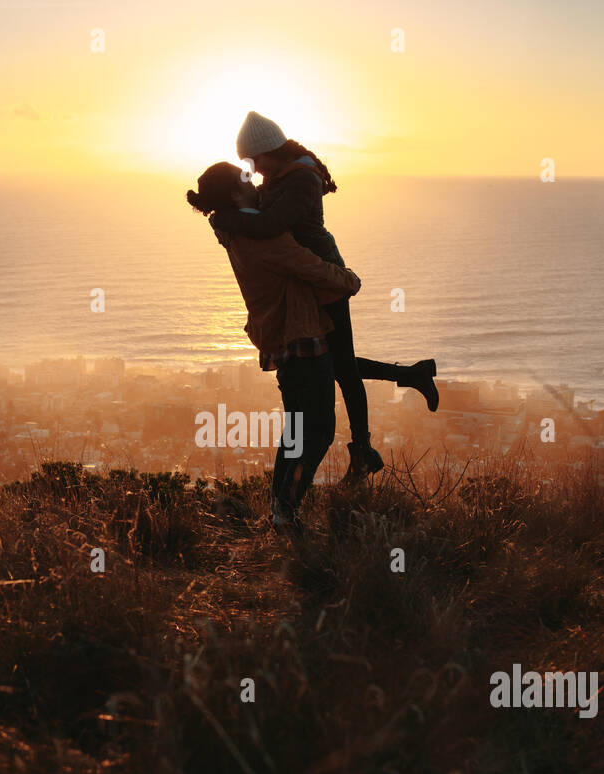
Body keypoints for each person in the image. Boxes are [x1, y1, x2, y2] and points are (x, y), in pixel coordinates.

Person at [211, 111, 439, 483]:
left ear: (268, 151)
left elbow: (270, 225)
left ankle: (363, 451)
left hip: (325, 274)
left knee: (342, 367)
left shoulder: (300, 179)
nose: (252, 171)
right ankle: (408, 377)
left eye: (252, 161)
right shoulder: (282, 175)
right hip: (308, 274)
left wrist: (225, 218)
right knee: (333, 361)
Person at [188, 161, 361, 531]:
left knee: (296, 429)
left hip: (279, 337)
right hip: (299, 336)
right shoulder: (261, 236)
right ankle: (286, 509)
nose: (255, 183)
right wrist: (349, 280)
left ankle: (279, 509)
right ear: (236, 192)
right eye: (246, 179)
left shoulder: (232, 227)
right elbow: (308, 265)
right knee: (319, 431)